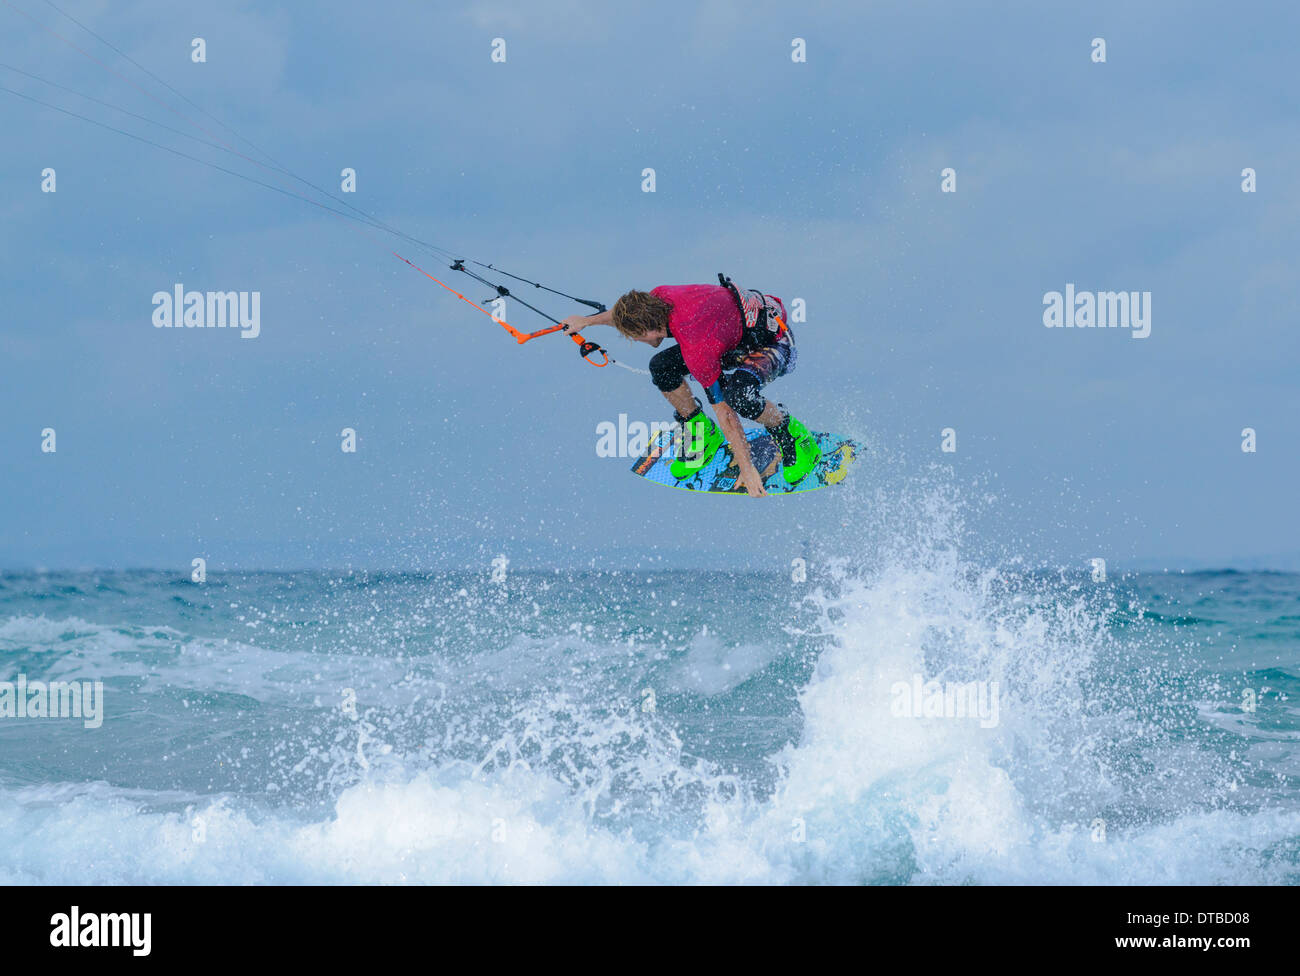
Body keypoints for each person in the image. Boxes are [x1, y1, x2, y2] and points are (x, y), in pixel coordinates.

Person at [562, 276, 819, 497]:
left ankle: (791, 432)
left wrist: (747, 468)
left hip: (774, 341)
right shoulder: (657, 300)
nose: (637, 341)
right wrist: (586, 321)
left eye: (636, 337)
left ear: (649, 330)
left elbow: (726, 412)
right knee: (662, 366)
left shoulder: (697, 344)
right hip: (731, 337)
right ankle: (701, 432)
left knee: (739, 396)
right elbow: (625, 314)